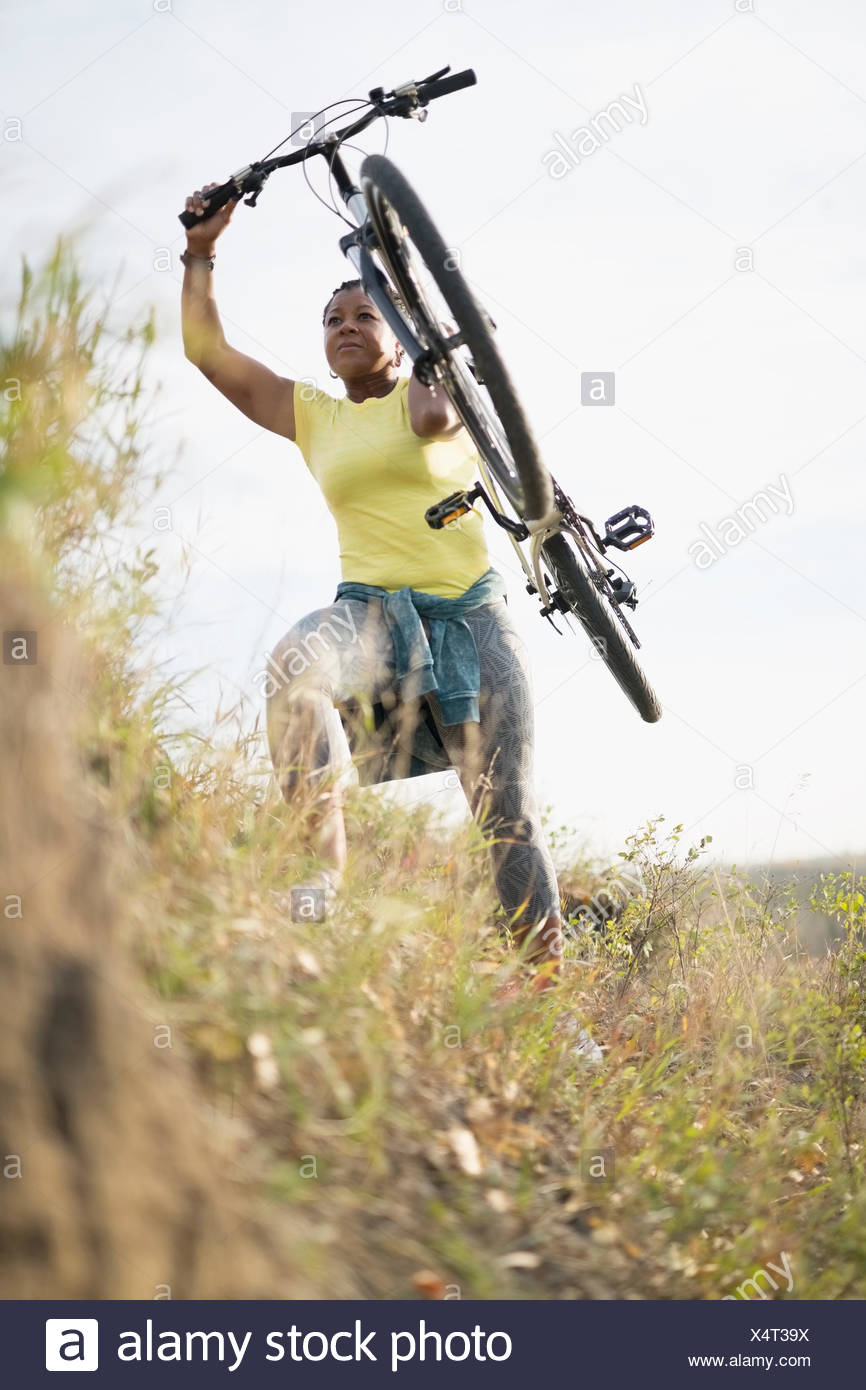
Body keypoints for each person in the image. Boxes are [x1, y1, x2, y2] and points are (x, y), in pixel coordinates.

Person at [179, 180, 597, 1034]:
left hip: (472, 616)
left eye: (364, 316)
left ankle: (553, 1012)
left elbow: (441, 410)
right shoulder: (312, 417)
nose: (345, 327)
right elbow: (206, 352)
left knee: (505, 814)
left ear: (397, 339)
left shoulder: (425, 395)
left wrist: (414, 314)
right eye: (333, 319)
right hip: (371, 611)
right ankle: (322, 880)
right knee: (293, 666)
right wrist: (200, 249)